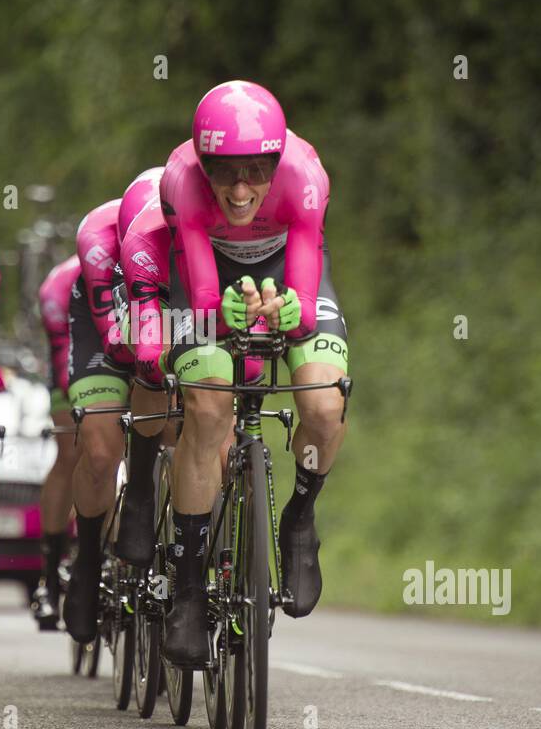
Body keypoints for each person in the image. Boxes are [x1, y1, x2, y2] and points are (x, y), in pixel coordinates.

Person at [159, 80, 349, 667]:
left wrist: (290, 312)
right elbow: (201, 294)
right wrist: (224, 314)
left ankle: (300, 516)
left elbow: (305, 292)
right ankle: (189, 585)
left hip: (287, 266)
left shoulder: (305, 176)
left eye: (256, 172)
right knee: (208, 406)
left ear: (276, 162)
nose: (240, 190)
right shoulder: (181, 183)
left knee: (323, 404)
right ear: (203, 163)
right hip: (205, 277)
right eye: (225, 172)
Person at [60, 168, 172, 643]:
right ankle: (87, 560)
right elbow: (116, 343)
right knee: (102, 449)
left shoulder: (190, 231)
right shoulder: (98, 241)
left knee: (188, 426)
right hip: (103, 327)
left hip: (166, 305)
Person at [30, 254, 80, 629]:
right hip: (77, 358)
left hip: (135, 350)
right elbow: (66, 368)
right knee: (72, 449)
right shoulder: (61, 283)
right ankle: (48, 575)